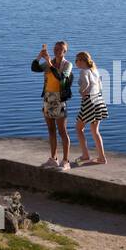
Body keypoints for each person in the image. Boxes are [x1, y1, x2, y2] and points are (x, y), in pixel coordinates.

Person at [30, 41, 73, 170]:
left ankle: (66, 161)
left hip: (59, 100)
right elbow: (34, 68)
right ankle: (53, 159)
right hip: (48, 98)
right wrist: (40, 56)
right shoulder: (50, 63)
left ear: (65, 51)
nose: (57, 51)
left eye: (60, 49)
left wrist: (49, 62)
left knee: (62, 131)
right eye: (56, 48)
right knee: (51, 130)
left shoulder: (67, 64)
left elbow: (61, 77)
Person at [74, 51, 108, 165]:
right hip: (98, 100)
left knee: (79, 128)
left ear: (82, 61)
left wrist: (81, 92)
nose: (75, 62)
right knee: (95, 131)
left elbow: (86, 84)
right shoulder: (95, 71)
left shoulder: (84, 71)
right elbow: (100, 86)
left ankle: (85, 155)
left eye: (77, 60)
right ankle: (102, 157)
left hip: (89, 102)